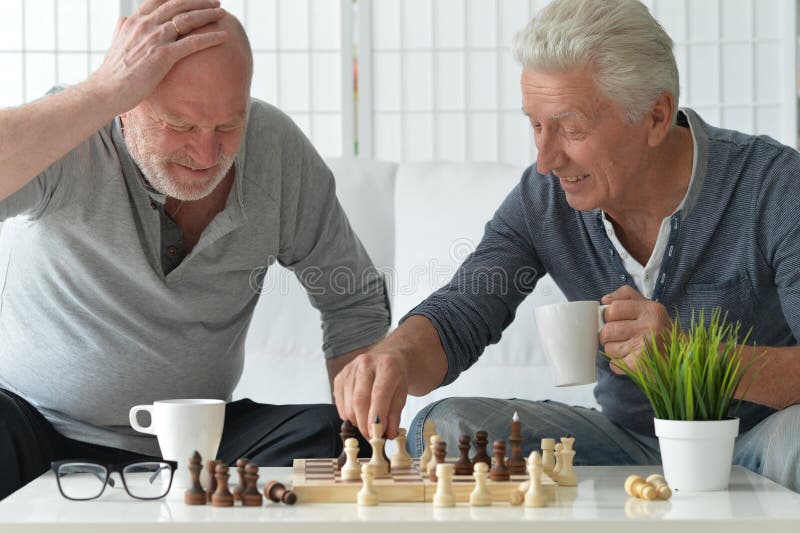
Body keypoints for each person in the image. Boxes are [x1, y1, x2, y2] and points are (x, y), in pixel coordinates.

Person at [333, 0, 800, 492]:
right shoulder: (545, 200)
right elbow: (464, 308)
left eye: (571, 129)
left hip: (759, 442)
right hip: (627, 445)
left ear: (656, 116)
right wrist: (396, 359)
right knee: (446, 428)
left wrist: (687, 356)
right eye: (536, 125)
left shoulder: (775, 186)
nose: (546, 159)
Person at [0, 0, 388, 500]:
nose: (207, 156)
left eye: (228, 126)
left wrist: (364, 426)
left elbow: (351, 300)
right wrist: (102, 90)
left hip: (203, 443)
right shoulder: (72, 132)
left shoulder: (277, 153)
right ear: (128, 101)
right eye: (181, 126)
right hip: (38, 428)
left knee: (331, 439)